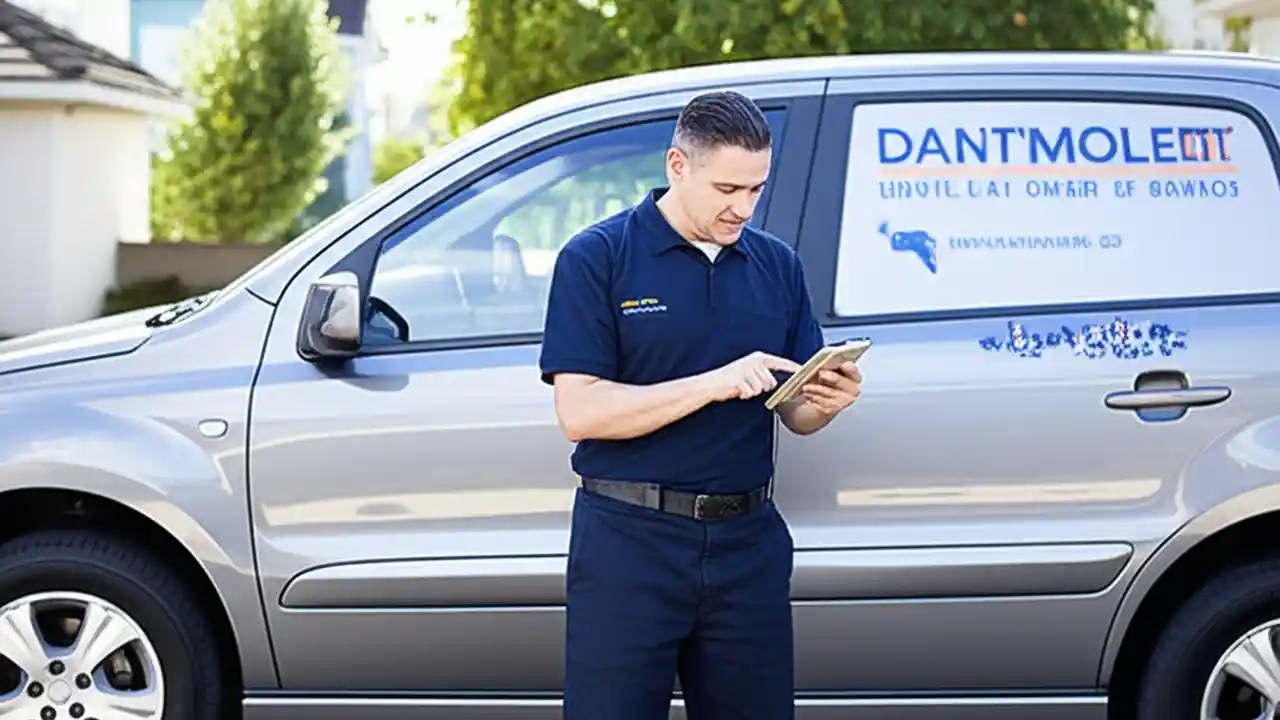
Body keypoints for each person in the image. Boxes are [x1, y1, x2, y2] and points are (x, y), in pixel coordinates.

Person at [538, 90, 863, 720]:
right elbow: (580, 413)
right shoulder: (597, 259)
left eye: (755, 190)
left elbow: (794, 413)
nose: (742, 207)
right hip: (630, 545)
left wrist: (826, 402)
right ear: (677, 167)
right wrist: (713, 383)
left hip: (748, 544)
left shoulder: (776, 266)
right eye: (727, 189)